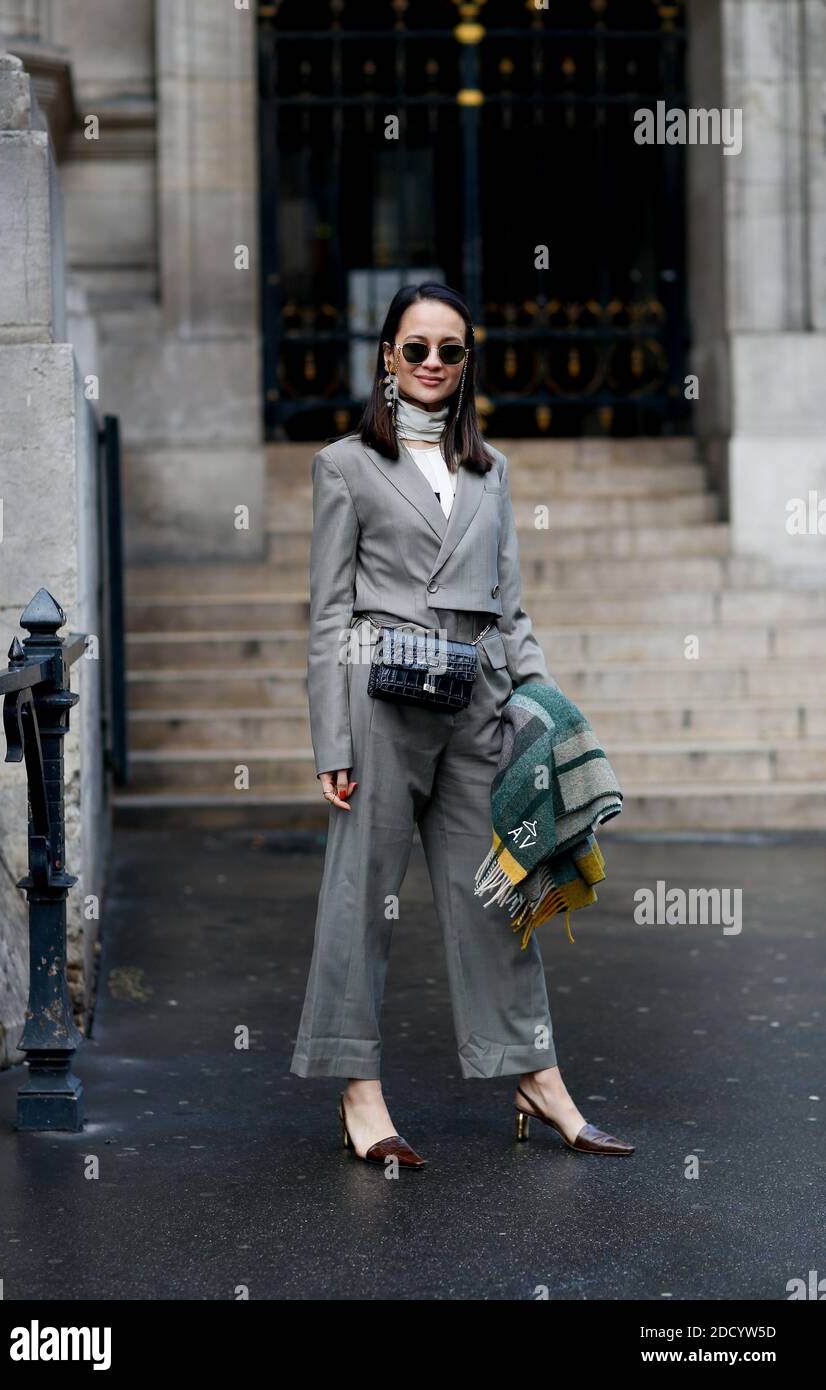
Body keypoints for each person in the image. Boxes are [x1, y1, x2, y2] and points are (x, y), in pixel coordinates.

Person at [289, 283, 633, 1165]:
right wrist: (331, 738)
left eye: (450, 349)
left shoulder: (492, 471)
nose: (433, 363)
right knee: (361, 897)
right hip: (380, 702)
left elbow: (511, 611)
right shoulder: (346, 466)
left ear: (467, 361)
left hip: (476, 704)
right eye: (416, 348)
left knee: (496, 891)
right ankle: (359, 1092)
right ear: (388, 359)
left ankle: (534, 1072)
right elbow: (329, 613)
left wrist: (542, 711)